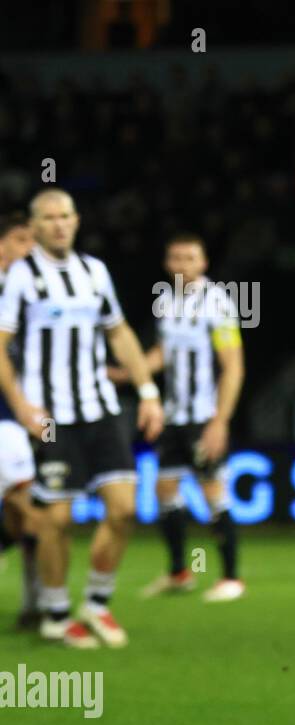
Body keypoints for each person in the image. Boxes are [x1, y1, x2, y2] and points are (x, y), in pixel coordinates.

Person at [0, 189, 163, 648]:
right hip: (50, 415)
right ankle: (55, 612)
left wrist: (148, 391)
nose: (58, 224)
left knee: (125, 509)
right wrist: (22, 405)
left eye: (66, 216)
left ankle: (96, 603)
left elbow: (120, 332)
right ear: (33, 227)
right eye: (48, 218)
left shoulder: (94, 272)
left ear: (77, 221)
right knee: (55, 519)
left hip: (100, 408)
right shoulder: (21, 278)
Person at [122, 234, 246, 602]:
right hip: (173, 416)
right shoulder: (166, 300)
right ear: (167, 263)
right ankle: (180, 572)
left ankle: (230, 578)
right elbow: (164, 352)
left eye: (190, 258)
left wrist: (219, 421)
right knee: (164, 491)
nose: (182, 265)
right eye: (176, 258)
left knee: (212, 492)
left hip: (204, 415)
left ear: (204, 264)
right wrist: (134, 371)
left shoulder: (217, 303)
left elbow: (233, 366)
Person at [0, 211, 41, 627]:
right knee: (23, 508)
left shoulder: (36, 294)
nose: (30, 249)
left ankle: (37, 602)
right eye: (21, 240)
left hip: (15, 419)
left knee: (24, 509)